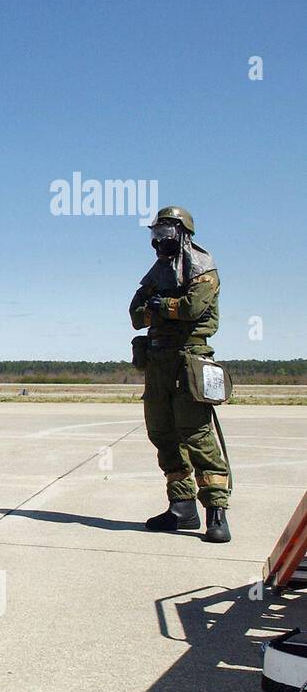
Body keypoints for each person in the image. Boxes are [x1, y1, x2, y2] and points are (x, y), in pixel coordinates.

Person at [129, 205, 231, 543]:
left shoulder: (203, 270)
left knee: (197, 435)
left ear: (183, 235)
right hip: (158, 362)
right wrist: (159, 310)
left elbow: (191, 309)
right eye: (155, 235)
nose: (159, 242)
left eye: (166, 235)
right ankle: (182, 506)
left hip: (189, 360)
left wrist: (161, 307)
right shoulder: (157, 273)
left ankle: (216, 511)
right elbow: (135, 313)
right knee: (162, 433)